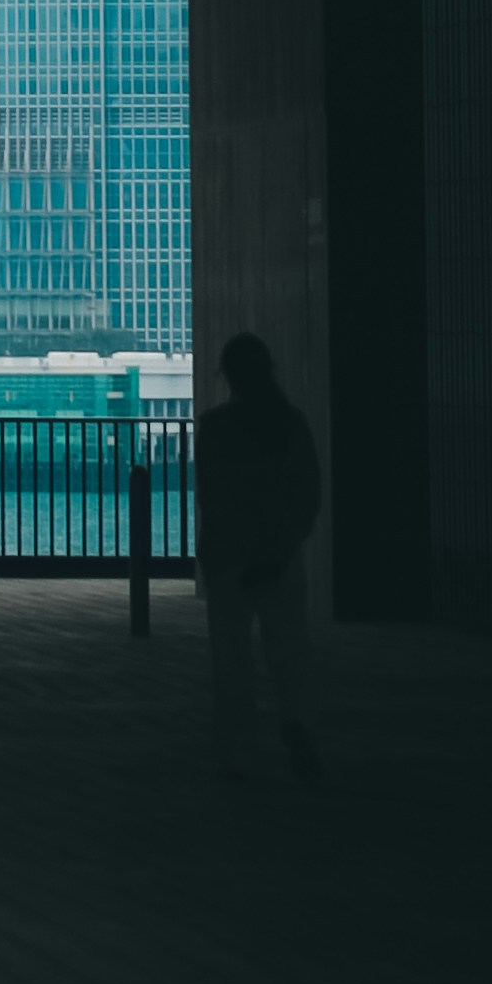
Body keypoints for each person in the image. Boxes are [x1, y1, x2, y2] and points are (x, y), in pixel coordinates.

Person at [196, 329, 326, 781]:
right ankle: (299, 723)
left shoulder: (214, 428)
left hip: (230, 559)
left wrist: (212, 556)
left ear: (227, 375)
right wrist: (286, 542)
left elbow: (212, 499)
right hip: (280, 555)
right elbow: (308, 494)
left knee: (232, 659)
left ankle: (238, 754)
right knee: (290, 649)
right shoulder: (291, 424)